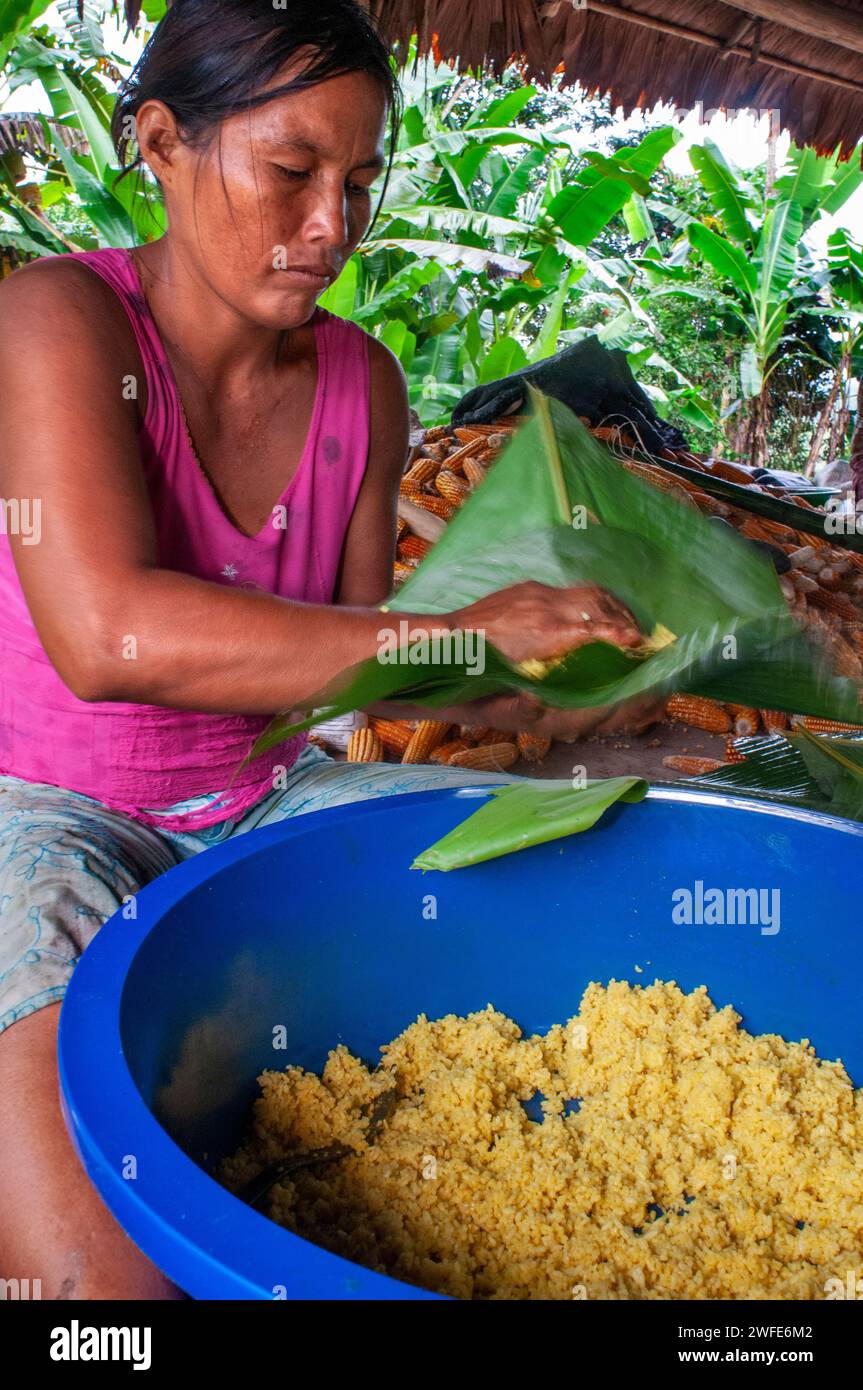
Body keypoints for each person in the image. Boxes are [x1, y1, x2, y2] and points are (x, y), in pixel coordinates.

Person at [0, 0, 653, 1299]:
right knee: (97, 1276)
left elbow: (360, 668)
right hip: (52, 811)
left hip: (266, 796)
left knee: (584, 859)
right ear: (161, 140)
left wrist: (587, 707)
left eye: (359, 183)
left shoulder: (363, 380)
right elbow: (107, 633)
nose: (330, 227)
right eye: (291, 172)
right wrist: (468, 622)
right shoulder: (58, 323)